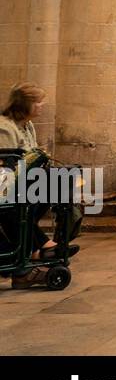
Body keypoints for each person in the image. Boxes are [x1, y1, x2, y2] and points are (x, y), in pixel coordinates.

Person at [0, 82, 69, 284]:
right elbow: (6, 163)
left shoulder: (28, 125)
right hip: (6, 184)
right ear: (24, 104)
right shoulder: (5, 128)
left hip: (20, 182)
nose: (42, 105)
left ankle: (39, 248)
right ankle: (39, 249)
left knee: (59, 183)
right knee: (15, 208)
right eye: (38, 102)